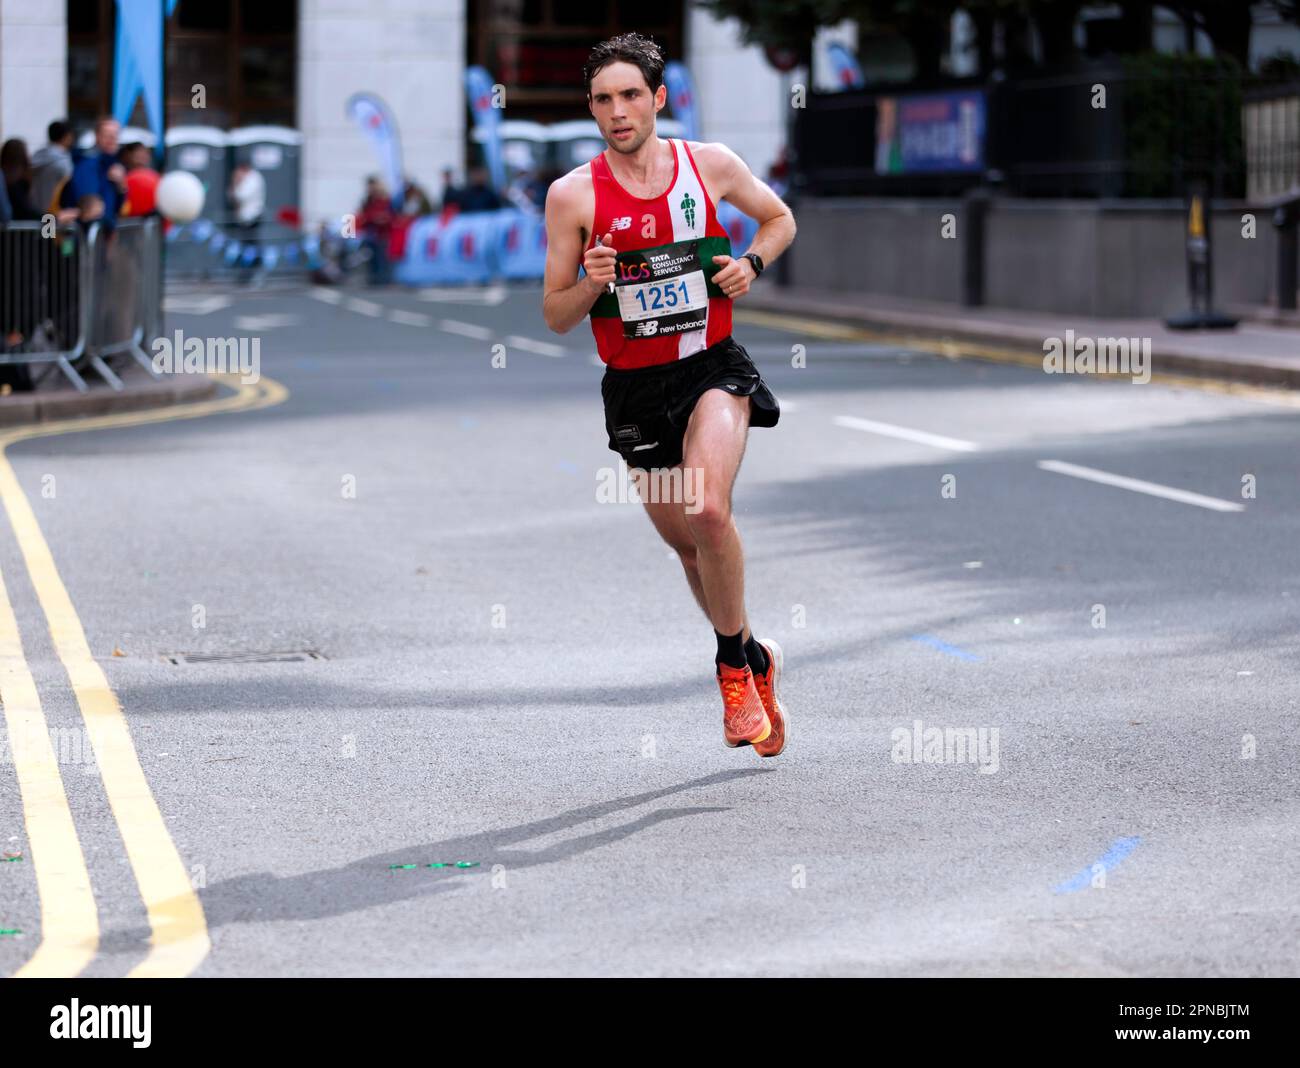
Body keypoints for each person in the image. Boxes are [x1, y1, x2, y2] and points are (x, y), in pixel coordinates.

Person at [542, 33, 797, 757]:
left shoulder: (708, 165)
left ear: (658, 98)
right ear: (591, 110)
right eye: (602, 99)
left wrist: (750, 262)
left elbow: (780, 219)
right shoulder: (573, 196)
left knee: (708, 510)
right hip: (634, 387)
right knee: (688, 548)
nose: (617, 111)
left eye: (630, 95)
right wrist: (591, 280)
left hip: (711, 366)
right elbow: (555, 313)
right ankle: (753, 658)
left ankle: (727, 672)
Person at [64, 116, 127, 226]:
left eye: (115, 135)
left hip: (101, 233)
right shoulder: (88, 164)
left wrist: (121, 188)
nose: (112, 139)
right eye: (107, 135)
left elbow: (117, 208)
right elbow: (89, 208)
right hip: (86, 232)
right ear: (97, 137)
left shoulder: (113, 166)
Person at [30, 120, 75, 215]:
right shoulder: (63, 163)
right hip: (55, 213)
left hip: (33, 213)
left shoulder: (37, 157)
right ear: (67, 137)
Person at [356, 176, 394, 285]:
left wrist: (380, 218)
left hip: (382, 233)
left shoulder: (385, 200)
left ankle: (383, 278)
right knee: (371, 256)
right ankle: (373, 278)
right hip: (370, 232)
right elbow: (364, 215)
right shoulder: (368, 200)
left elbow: (390, 216)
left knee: (382, 257)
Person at [1, 138, 42, 220]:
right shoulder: (17, 183)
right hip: (17, 227)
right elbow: (25, 210)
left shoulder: (4, 178)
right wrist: (52, 218)